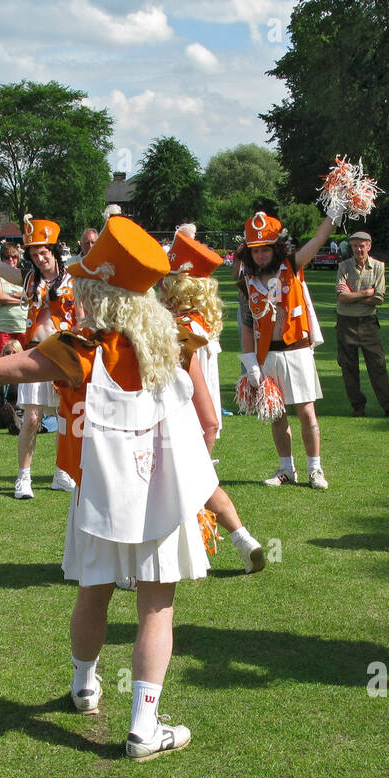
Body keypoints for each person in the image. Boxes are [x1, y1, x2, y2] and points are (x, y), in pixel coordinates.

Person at [0, 216, 217, 760]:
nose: (78, 290)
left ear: (101, 293)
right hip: (161, 493)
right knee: (156, 606)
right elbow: (208, 418)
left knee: (94, 588)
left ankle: (84, 685)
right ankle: (144, 726)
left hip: (99, 490)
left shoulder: (80, 347)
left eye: (87, 284)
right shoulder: (180, 338)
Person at [161, 231, 265, 573]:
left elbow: (204, 412)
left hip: (164, 430)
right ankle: (244, 540)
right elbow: (210, 418)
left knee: (156, 500)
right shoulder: (201, 328)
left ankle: (134, 572)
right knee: (206, 484)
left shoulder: (175, 335)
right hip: (193, 430)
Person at [0, 215, 78, 498]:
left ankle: (62, 473)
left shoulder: (74, 276)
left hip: (65, 354)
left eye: (43, 252)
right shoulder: (28, 278)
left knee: (66, 417)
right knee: (31, 419)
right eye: (34, 254)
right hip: (35, 355)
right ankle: (23, 477)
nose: (39, 258)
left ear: (54, 251)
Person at [236, 210, 337, 488]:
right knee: (277, 414)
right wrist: (251, 364)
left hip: (297, 349)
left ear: (275, 249)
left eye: (265, 250)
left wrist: (334, 216)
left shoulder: (292, 266)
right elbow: (247, 325)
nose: (260, 256)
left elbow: (317, 239)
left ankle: (315, 469)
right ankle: (285, 468)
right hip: (267, 354)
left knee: (306, 412)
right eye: (255, 251)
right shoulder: (247, 282)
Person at [335, 230, 389, 418]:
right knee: (348, 368)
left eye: (361, 245)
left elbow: (379, 298)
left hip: (369, 323)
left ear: (369, 246)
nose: (358, 249)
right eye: (355, 246)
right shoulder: (343, 266)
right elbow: (341, 297)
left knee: (378, 366)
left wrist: (353, 296)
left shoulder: (378, 267)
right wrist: (366, 293)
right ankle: (357, 407)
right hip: (345, 322)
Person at [0, 242, 28, 355]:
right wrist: (22, 299)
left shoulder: (24, 275)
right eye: (7, 257)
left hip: (23, 327)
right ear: (2, 259)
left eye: (14, 256)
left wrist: (10, 298)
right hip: (3, 328)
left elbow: (32, 294)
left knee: (25, 363)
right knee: (4, 364)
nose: (11, 259)